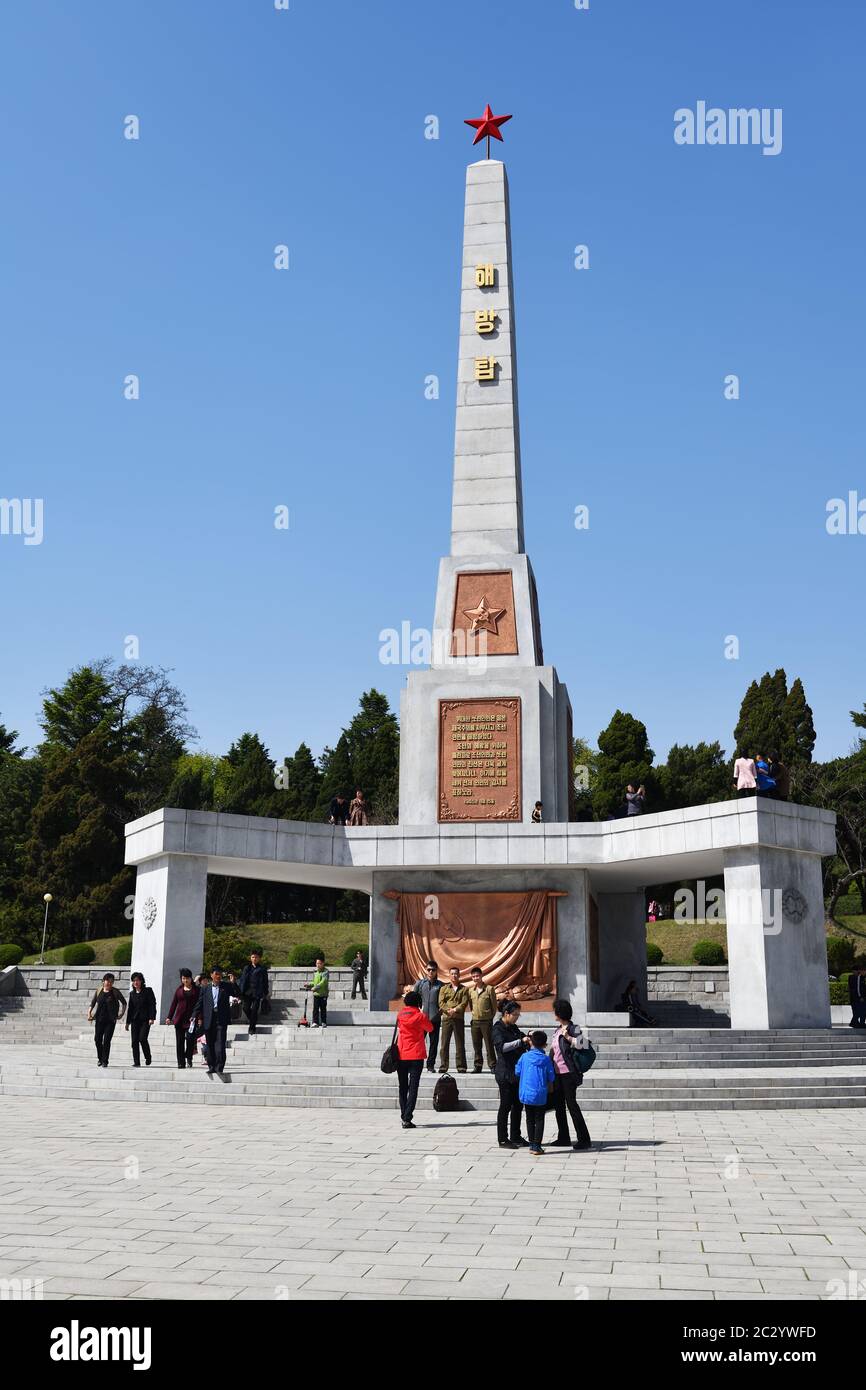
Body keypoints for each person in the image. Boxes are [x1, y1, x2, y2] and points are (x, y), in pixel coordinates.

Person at [549, 999, 592, 1151]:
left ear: (559, 1013)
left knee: (572, 1105)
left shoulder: (574, 1029)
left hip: (568, 1074)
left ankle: (584, 1139)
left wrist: (568, 1038)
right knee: (559, 1106)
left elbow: (584, 1044)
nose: (552, 1013)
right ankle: (563, 1137)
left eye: (554, 1010)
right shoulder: (556, 1030)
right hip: (557, 1075)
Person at [492, 1000, 529, 1149]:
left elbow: (521, 1038)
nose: (517, 1017)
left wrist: (528, 1038)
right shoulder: (497, 1028)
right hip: (504, 1072)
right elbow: (502, 1048)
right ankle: (502, 1139)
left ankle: (515, 1135)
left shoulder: (513, 1027)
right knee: (505, 1106)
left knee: (518, 1106)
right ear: (506, 1014)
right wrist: (520, 1042)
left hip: (516, 1072)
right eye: (515, 1015)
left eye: (518, 1015)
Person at [514, 1031, 556, 1155]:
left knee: (529, 1119)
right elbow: (551, 1077)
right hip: (540, 1094)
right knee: (539, 1119)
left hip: (526, 1093)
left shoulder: (524, 1057)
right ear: (545, 1045)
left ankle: (532, 1143)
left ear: (531, 1042)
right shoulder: (546, 1059)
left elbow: (517, 1071)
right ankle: (537, 1145)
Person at [395, 989, 432, 1128]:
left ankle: (404, 1114)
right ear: (418, 1002)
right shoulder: (420, 1016)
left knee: (403, 1086)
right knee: (413, 1087)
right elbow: (430, 1028)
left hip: (402, 1054)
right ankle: (407, 1116)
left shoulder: (400, 1014)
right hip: (416, 1055)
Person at [191, 967, 236, 1074]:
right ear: (211, 975)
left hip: (221, 1019)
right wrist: (194, 1015)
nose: (218, 976)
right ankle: (211, 1066)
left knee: (220, 1044)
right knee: (210, 1044)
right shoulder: (205, 988)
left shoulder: (226, 986)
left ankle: (219, 1067)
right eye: (216, 974)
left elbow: (237, 993)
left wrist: (233, 983)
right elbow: (200, 1003)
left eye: (220, 974)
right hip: (208, 1019)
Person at [409, 960, 445, 1073]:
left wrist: (441, 1010)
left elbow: (444, 1000)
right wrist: (417, 1011)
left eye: (433, 970)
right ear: (426, 970)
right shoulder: (420, 983)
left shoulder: (440, 985)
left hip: (435, 1018)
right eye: (428, 969)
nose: (430, 972)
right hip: (421, 1019)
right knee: (418, 1042)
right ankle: (414, 1064)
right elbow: (413, 998)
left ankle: (430, 1065)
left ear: (436, 971)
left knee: (433, 1044)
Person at [87, 973, 126, 1068]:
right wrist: (89, 1013)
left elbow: (124, 1003)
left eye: (111, 981)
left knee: (107, 1040)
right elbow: (92, 1003)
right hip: (99, 1019)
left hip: (110, 1020)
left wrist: (121, 1014)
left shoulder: (115, 992)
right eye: (107, 981)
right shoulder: (99, 990)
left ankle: (105, 1061)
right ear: (103, 981)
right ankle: (100, 1058)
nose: (109, 983)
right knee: (97, 1040)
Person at [166, 969, 200, 1069]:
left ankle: (189, 1057)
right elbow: (174, 1004)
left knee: (190, 1039)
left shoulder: (197, 990)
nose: (185, 980)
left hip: (191, 1020)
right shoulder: (179, 990)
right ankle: (181, 1063)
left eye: (187, 978)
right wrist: (169, 1017)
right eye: (183, 978)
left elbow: (200, 1004)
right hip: (179, 1020)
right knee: (179, 1042)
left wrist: (200, 1018)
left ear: (191, 978)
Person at [437, 966, 469, 1074]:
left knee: (460, 1043)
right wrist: (448, 1010)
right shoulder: (444, 989)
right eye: (452, 974)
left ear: (459, 975)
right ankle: (443, 1066)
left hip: (458, 1018)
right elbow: (441, 1003)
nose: (454, 976)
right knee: (444, 1044)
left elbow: (464, 1003)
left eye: (456, 974)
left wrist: (455, 1009)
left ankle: (461, 1066)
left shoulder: (464, 989)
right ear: (449, 975)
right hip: (446, 1019)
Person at [468, 966, 498, 1073]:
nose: (476, 978)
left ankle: (493, 1065)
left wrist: (489, 1017)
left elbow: (494, 1006)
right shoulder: (471, 990)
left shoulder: (489, 989)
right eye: (473, 976)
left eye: (477, 976)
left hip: (486, 1022)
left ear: (481, 976)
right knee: (477, 1045)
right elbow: (471, 1006)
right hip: (475, 1022)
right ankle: (478, 1066)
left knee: (489, 1044)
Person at [125, 971, 156, 1067]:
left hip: (145, 1020)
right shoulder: (132, 993)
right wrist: (127, 1022)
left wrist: (152, 1017)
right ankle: (136, 1062)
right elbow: (130, 1008)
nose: (136, 982)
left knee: (142, 1039)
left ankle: (148, 1057)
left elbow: (152, 1005)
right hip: (135, 1020)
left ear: (142, 981)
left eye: (137, 980)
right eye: (134, 981)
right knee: (134, 1041)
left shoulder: (148, 991)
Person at [239, 948, 269, 1035]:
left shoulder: (262, 969)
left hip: (257, 993)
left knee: (255, 1010)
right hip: (247, 992)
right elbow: (242, 980)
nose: (254, 959)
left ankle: (252, 1028)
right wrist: (240, 992)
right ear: (250, 958)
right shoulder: (247, 968)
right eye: (253, 957)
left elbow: (265, 981)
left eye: (256, 957)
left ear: (259, 958)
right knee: (245, 1008)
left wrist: (265, 993)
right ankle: (253, 1020)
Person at [306, 955, 330, 1028]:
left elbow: (323, 982)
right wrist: (309, 984)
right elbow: (315, 982)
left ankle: (323, 1022)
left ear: (323, 963)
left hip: (323, 994)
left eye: (319, 963)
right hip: (316, 994)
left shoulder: (326, 972)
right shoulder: (316, 972)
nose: (317, 965)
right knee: (315, 1009)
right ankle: (315, 1022)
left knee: (323, 1009)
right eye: (316, 963)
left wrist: (315, 987)